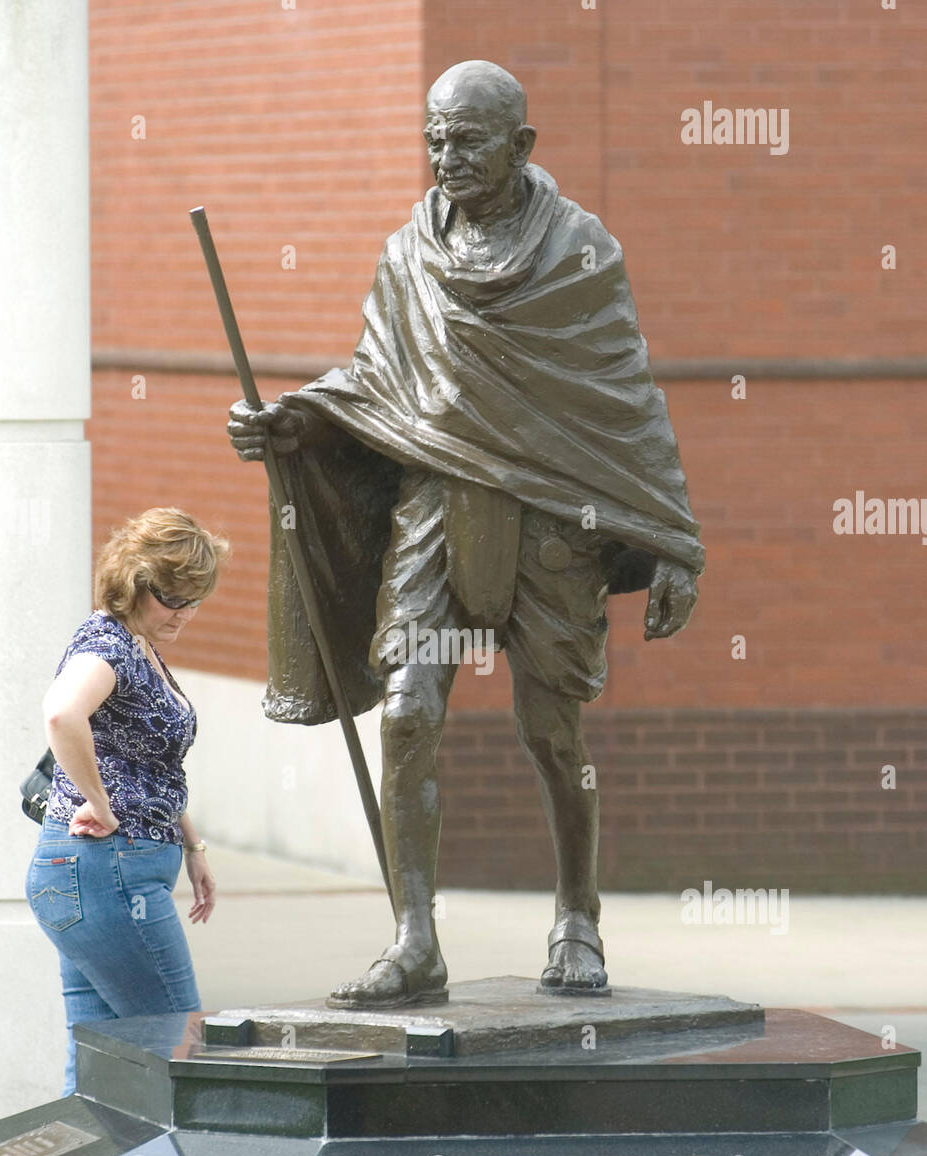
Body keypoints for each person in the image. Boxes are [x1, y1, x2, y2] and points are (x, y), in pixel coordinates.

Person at [227, 61, 704, 1009]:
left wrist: (674, 543)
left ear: (521, 145)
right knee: (407, 713)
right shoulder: (407, 253)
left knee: (551, 731)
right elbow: (376, 381)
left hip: (549, 524)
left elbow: (624, 401)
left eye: (468, 140)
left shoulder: (579, 250)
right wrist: (295, 421)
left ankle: (576, 917)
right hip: (436, 512)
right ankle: (415, 940)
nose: (445, 157)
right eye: (434, 139)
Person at [26, 508, 230, 1093]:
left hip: (90, 876)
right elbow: (61, 713)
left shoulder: (138, 645)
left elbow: (153, 764)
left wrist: (193, 846)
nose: (184, 613)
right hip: (105, 871)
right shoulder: (107, 645)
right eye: (172, 598)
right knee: (184, 1051)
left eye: (195, 600)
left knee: (98, 1073)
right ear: (135, 581)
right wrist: (100, 803)